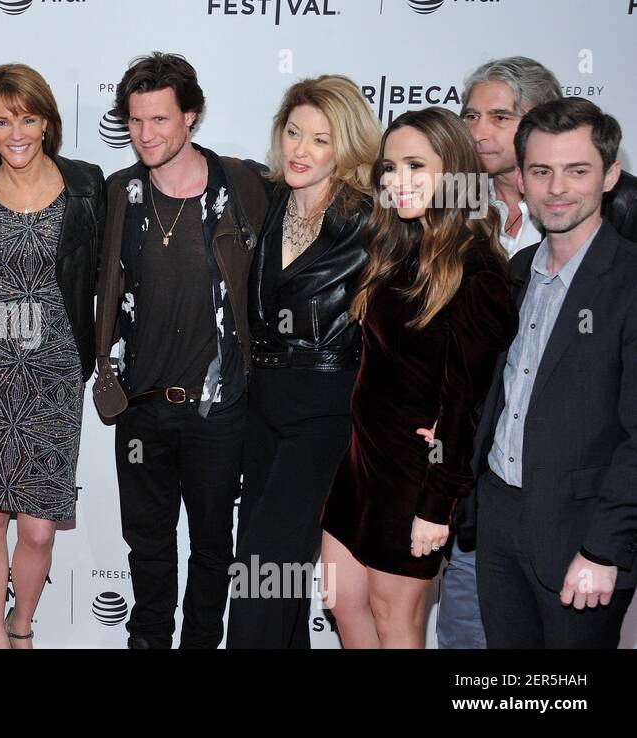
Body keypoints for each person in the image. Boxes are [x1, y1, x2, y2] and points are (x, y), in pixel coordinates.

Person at [441, 56, 637, 648]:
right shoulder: (519, 270)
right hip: (499, 519)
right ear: (520, 179)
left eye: (577, 171)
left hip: (582, 535)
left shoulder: (629, 281)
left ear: (610, 175)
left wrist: (606, 548)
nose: (557, 189)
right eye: (542, 171)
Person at [320, 106, 518, 648]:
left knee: (395, 621)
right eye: (389, 168)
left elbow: (465, 401)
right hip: (362, 460)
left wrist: (436, 505)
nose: (398, 182)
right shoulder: (398, 245)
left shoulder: (476, 269)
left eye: (416, 166)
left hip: (414, 474)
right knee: (342, 600)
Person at [94, 52, 270, 649]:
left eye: (159, 120)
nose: (144, 135)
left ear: (190, 117)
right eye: (135, 121)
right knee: (146, 547)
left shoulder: (244, 186)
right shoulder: (117, 194)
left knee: (213, 547)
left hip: (217, 411)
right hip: (139, 405)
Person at [0, 63, 104, 648]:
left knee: (37, 529)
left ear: (47, 123)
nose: (16, 132)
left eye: (28, 118)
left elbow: (105, 276)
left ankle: (22, 625)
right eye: (2, 119)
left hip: (55, 373)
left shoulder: (86, 187)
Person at [227, 75, 378, 649]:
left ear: (346, 149)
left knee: (262, 572)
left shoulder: (371, 223)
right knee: (274, 572)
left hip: (324, 411)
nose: (301, 150)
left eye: (320, 139)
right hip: (263, 405)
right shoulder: (268, 203)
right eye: (294, 133)